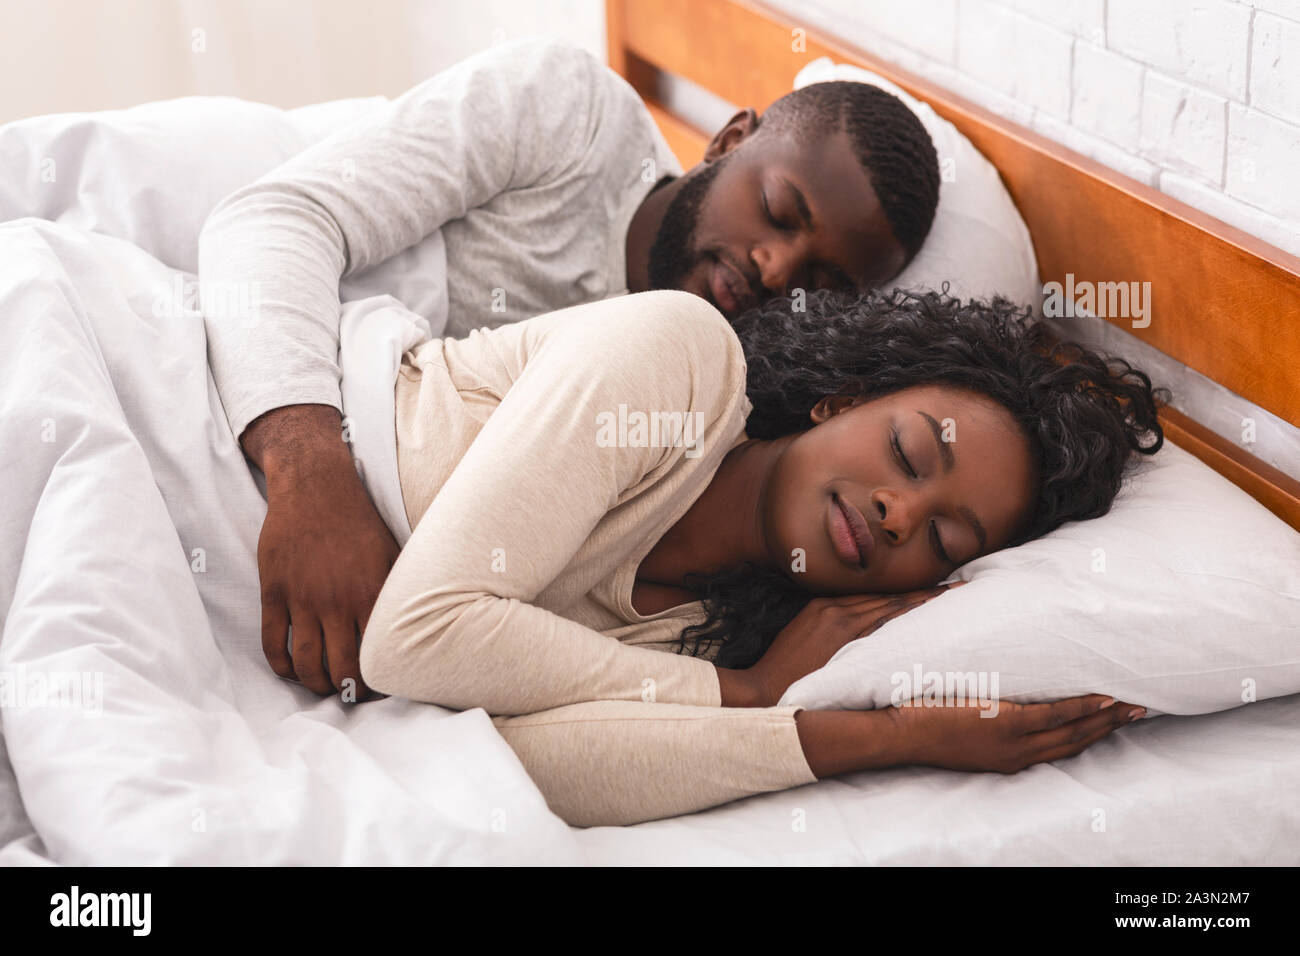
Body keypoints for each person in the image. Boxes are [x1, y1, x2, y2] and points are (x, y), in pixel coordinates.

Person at [196, 37, 942, 696]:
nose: (777, 269)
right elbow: (277, 219)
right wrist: (311, 477)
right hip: (248, 348)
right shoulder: (572, 116)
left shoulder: (718, 406)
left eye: (823, 284)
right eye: (779, 211)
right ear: (729, 138)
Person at [356, 286, 1162, 826]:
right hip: (250, 476)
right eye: (910, 455)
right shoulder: (679, 360)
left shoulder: (717, 634)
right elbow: (418, 639)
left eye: (943, 539)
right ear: (841, 400)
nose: (899, 512)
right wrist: (745, 695)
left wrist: (880, 736)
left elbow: (520, 765)